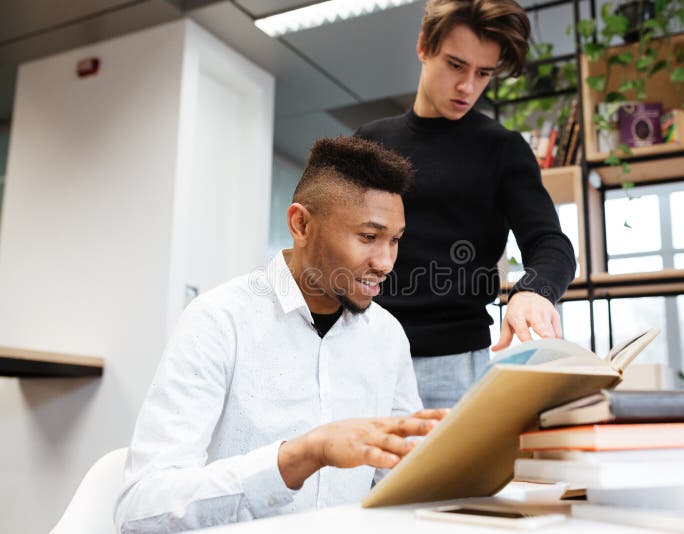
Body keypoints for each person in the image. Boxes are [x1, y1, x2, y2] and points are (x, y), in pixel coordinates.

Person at [114, 136, 447, 533]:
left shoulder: (387, 336)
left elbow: (402, 480)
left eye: (394, 240)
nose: (386, 262)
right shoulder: (218, 320)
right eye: (368, 237)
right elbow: (140, 511)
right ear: (300, 224)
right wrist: (302, 455)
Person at [356, 0, 577, 409]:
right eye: (456, 65)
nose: (468, 87)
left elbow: (551, 243)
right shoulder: (370, 142)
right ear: (424, 47)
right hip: (362, 353)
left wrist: (535, 292)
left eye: (484, 73)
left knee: (451, 476)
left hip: (455, 365)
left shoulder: (503, 150)